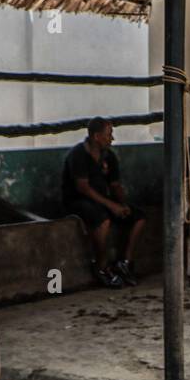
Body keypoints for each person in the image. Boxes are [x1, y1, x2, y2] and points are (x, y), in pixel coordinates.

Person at [62, 117, 145, 288]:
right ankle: (101, 267)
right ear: (96, 136)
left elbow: (115, 185)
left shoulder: (109, 156)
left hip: (101, 200)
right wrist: (111, 205)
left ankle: (125, 263)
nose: (112, 139)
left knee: (138, 217)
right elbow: (83, 188)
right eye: (108, 135)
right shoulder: (78, 155)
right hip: (78, 201)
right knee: (102, 220)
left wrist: (123, 204)